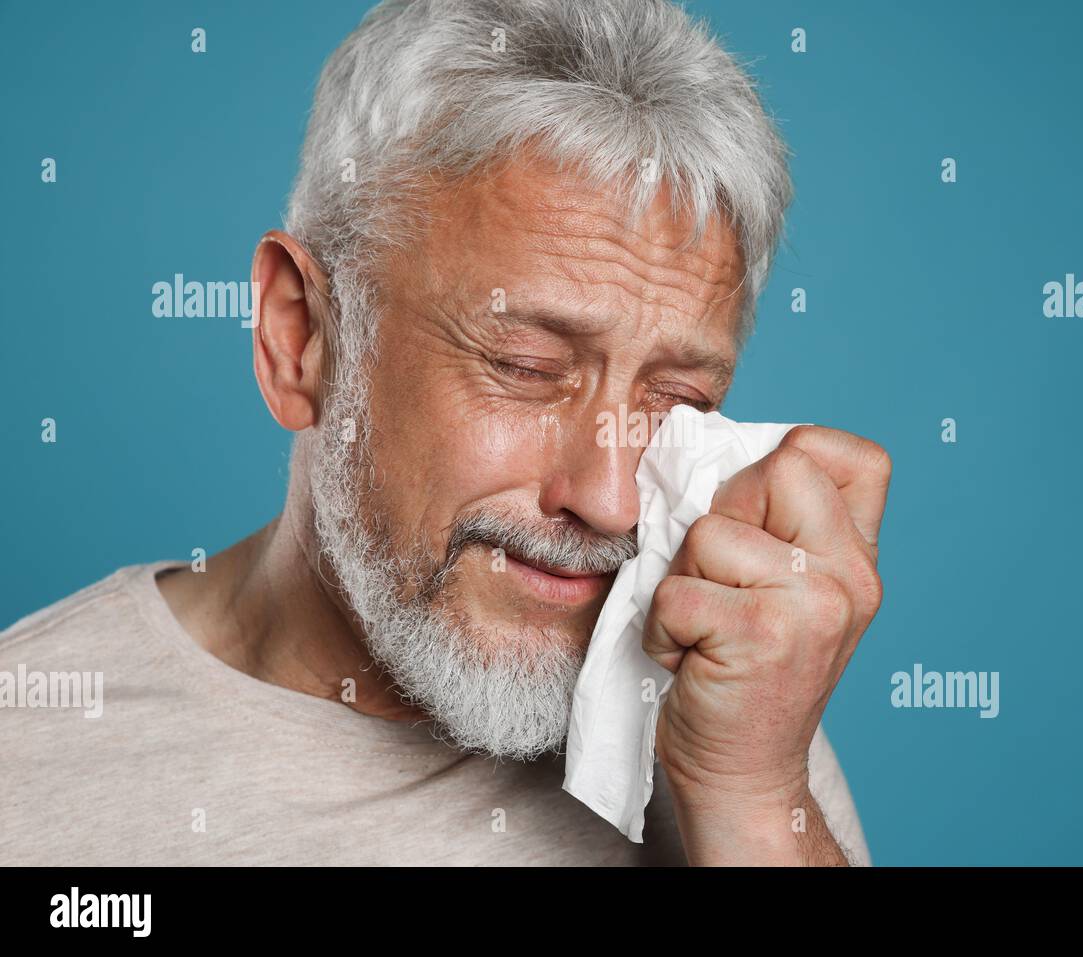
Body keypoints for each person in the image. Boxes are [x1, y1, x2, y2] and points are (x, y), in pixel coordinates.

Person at [0, 0, 890, 866]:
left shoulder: (730, 717)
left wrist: (755, 802)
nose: (613, 501)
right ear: (300, 336)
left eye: (677, 402)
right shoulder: (26, 761)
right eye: (527, 368)